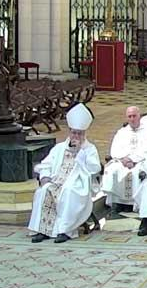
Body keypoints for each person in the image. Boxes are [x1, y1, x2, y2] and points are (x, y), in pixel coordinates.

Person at [28, 104, 101, 243]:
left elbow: (94, 168)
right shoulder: (59, 148)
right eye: (74, 133)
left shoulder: (89, 149)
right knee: (44, 190)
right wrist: (45, 177)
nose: (76, 136)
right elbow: (47, 164)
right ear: (70, 132)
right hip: (56, 181)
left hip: (78, 184)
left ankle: (66, 231)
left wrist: (80, 153)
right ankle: (43, 230)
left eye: (79, 134)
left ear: (84, 134)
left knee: (68, 191)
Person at [101, 106, 147, 216]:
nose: (132, 119)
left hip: (140, 161)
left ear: (139, 116)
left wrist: (133, 160)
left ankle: (136, 204)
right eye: (129, 116)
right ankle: (116, 203)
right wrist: (124, 159)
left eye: (134, 116)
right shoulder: (122, 132)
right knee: (112, 170)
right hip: (122, 161)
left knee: (137, 172)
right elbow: (114, 149)